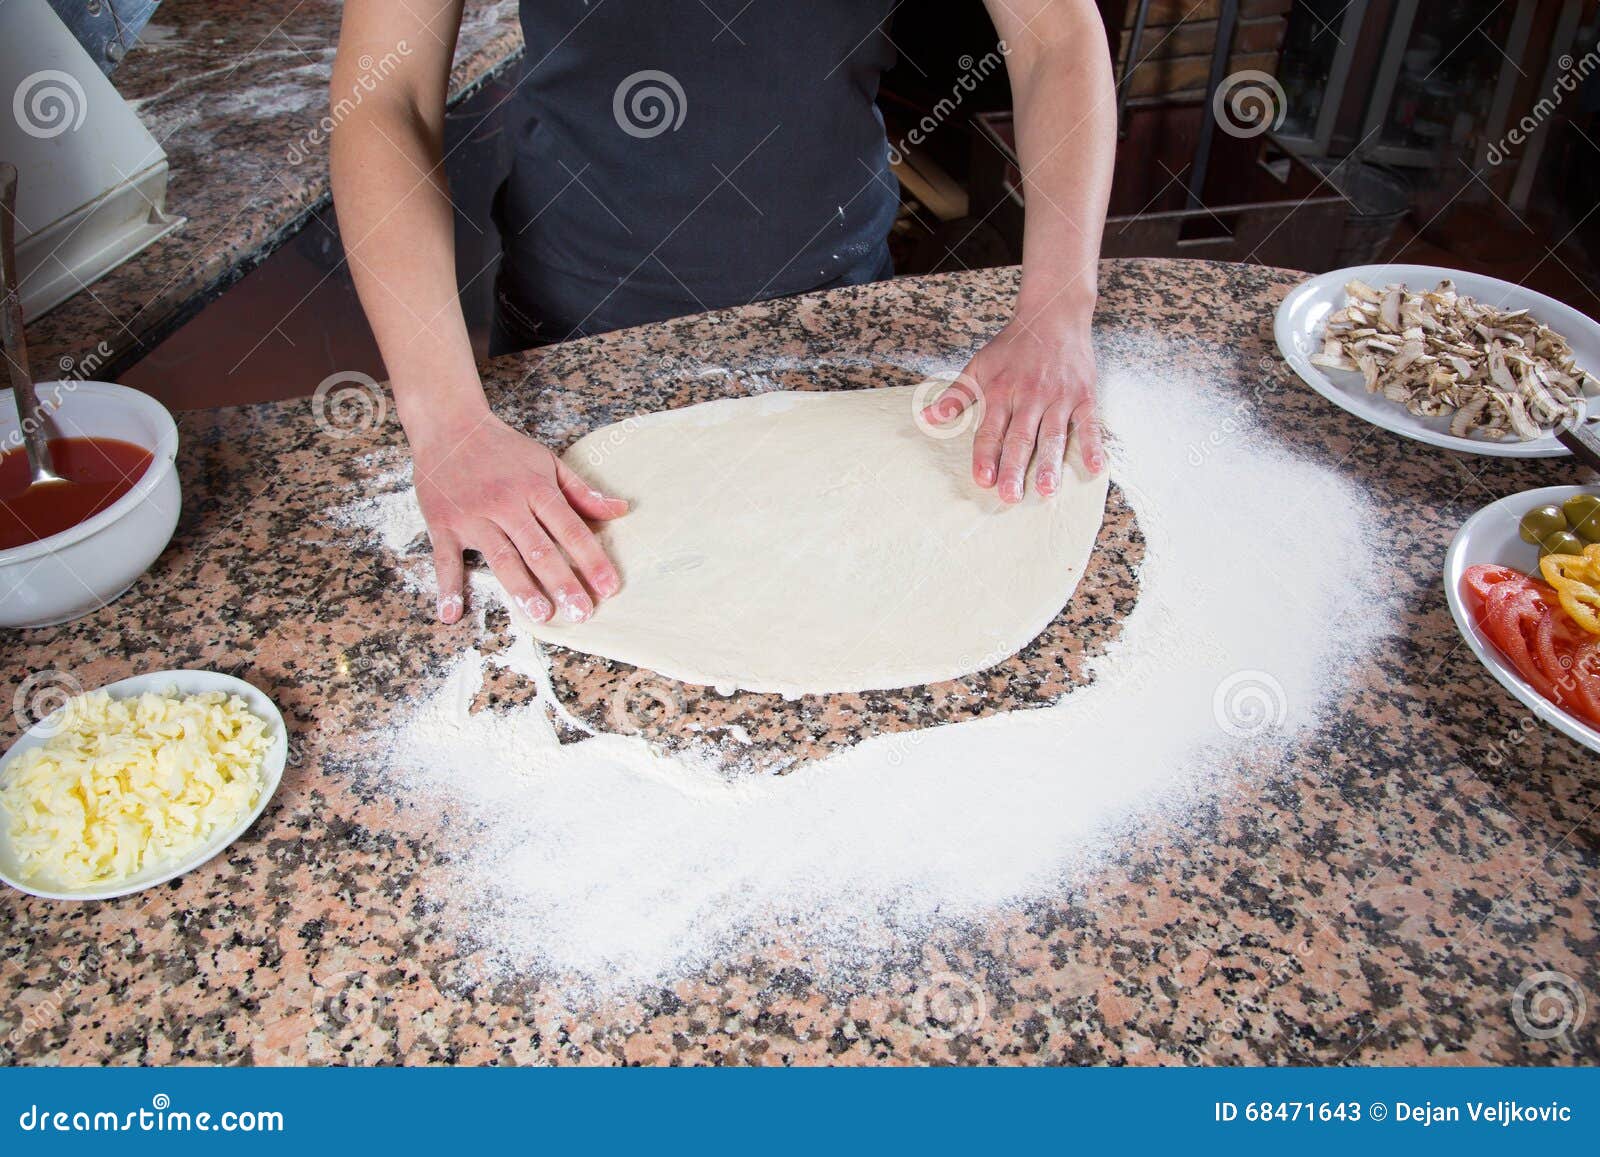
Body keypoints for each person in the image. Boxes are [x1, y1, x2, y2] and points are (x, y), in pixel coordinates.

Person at [330, 0, 1115, 626]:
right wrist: (447, 420)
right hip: (575, 340)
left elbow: (1054, 36)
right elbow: (384, 97)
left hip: (841, 322)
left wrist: (1055, 305)